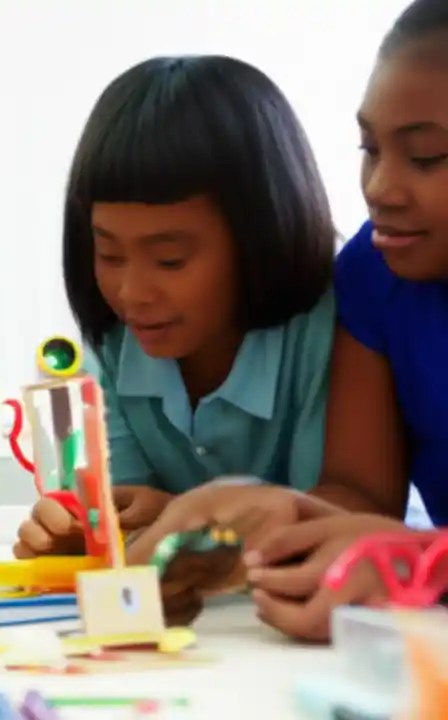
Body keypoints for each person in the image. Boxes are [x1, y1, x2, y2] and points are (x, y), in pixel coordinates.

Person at [126, 0, 448, 641]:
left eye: (427, 157)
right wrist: (262, 525)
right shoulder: (372, 272)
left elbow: (401, 545)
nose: (380, 186)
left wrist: (422, 562)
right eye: (368, 147)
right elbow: (359, 494)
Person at [14, 54, 336, 560]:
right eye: (109, 253)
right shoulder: (112, 344)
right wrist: (90, 533)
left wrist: (183, 522)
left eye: (170, 259)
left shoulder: (330, 331)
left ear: (259, 237)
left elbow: (334, 524)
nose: (131, 292)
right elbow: (129, 521)